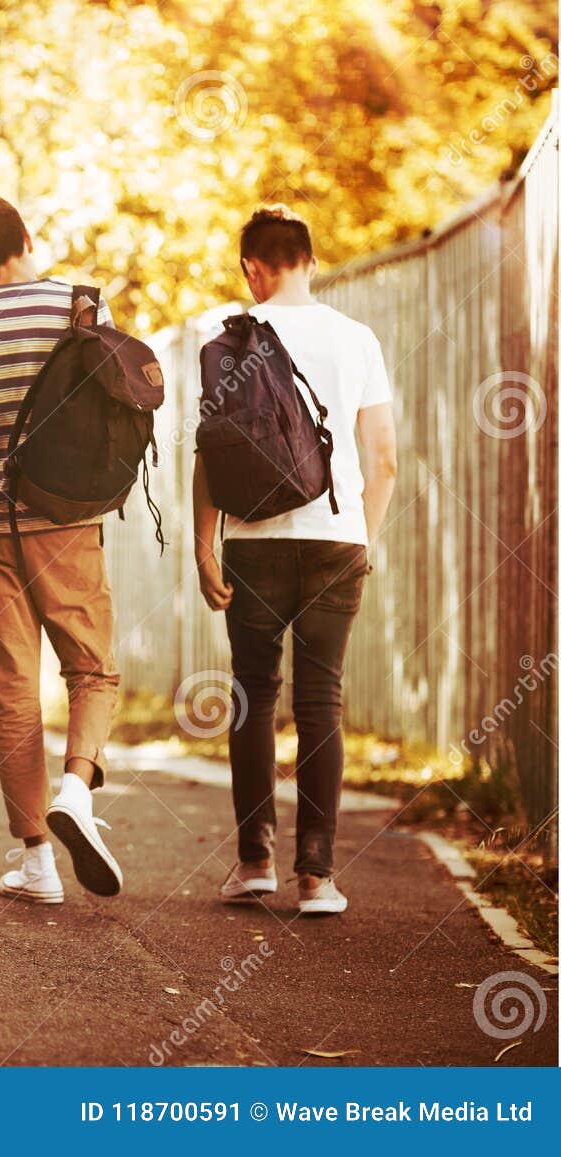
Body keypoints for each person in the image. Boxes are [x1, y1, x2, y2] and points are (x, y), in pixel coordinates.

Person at [193, 205, 397, 917]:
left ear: (253, 267)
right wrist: (360, 538)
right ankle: (317, 876)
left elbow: (210, 449)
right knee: (322, 699)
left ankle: (254, 861)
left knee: (253, 691)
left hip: (253, 541)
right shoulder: (357, 338)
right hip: (337, 537)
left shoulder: (228, 338)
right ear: (311, 260)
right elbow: (387, 459)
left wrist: (202, 542)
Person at [0, 197, 124, 902]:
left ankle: (37, 861)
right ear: (25, 236)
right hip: (67, 522)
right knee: (92, 670)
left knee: (13, 696)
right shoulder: (81, 308)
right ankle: (77, 787)